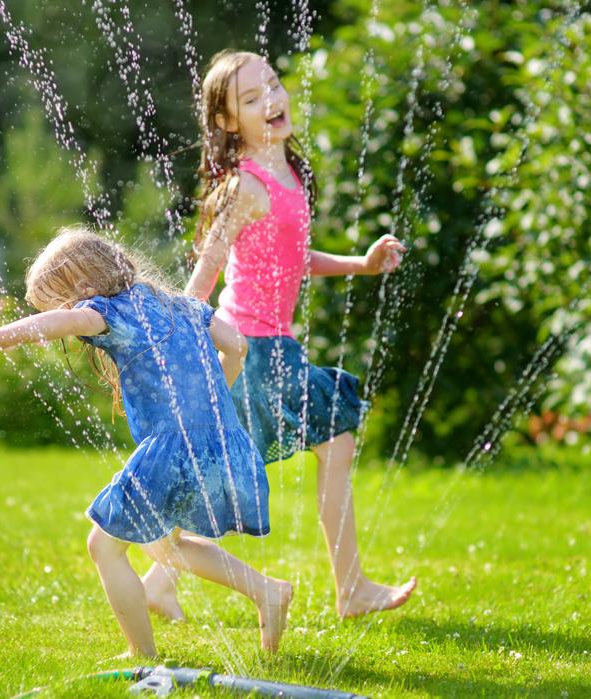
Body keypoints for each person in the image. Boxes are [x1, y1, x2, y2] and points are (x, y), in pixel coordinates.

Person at [143, 49, 416, 621]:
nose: (270, 99)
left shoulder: (289, 173)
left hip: (273, 349)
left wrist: (360, 265)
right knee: (303, 449)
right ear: (225, 122)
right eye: (250, 98)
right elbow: (211, 262)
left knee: (228, 468)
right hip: (251, 350)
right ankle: (351, 589)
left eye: (273, 85)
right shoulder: (245, 185)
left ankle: (159, 577)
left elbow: (291, 258)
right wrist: (185, 328)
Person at [0, 226, 291, 657]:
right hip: (223, 443)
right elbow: (237, 345)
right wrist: (211, 400)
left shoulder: (108, 310)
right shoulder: (181, 305)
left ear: (84, 288)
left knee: (103, 547)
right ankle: (266, 590)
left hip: (173, 449)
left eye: (64, 300)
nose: (72, 314)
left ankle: (143, 658)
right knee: (163, 544)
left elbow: (60, 324)